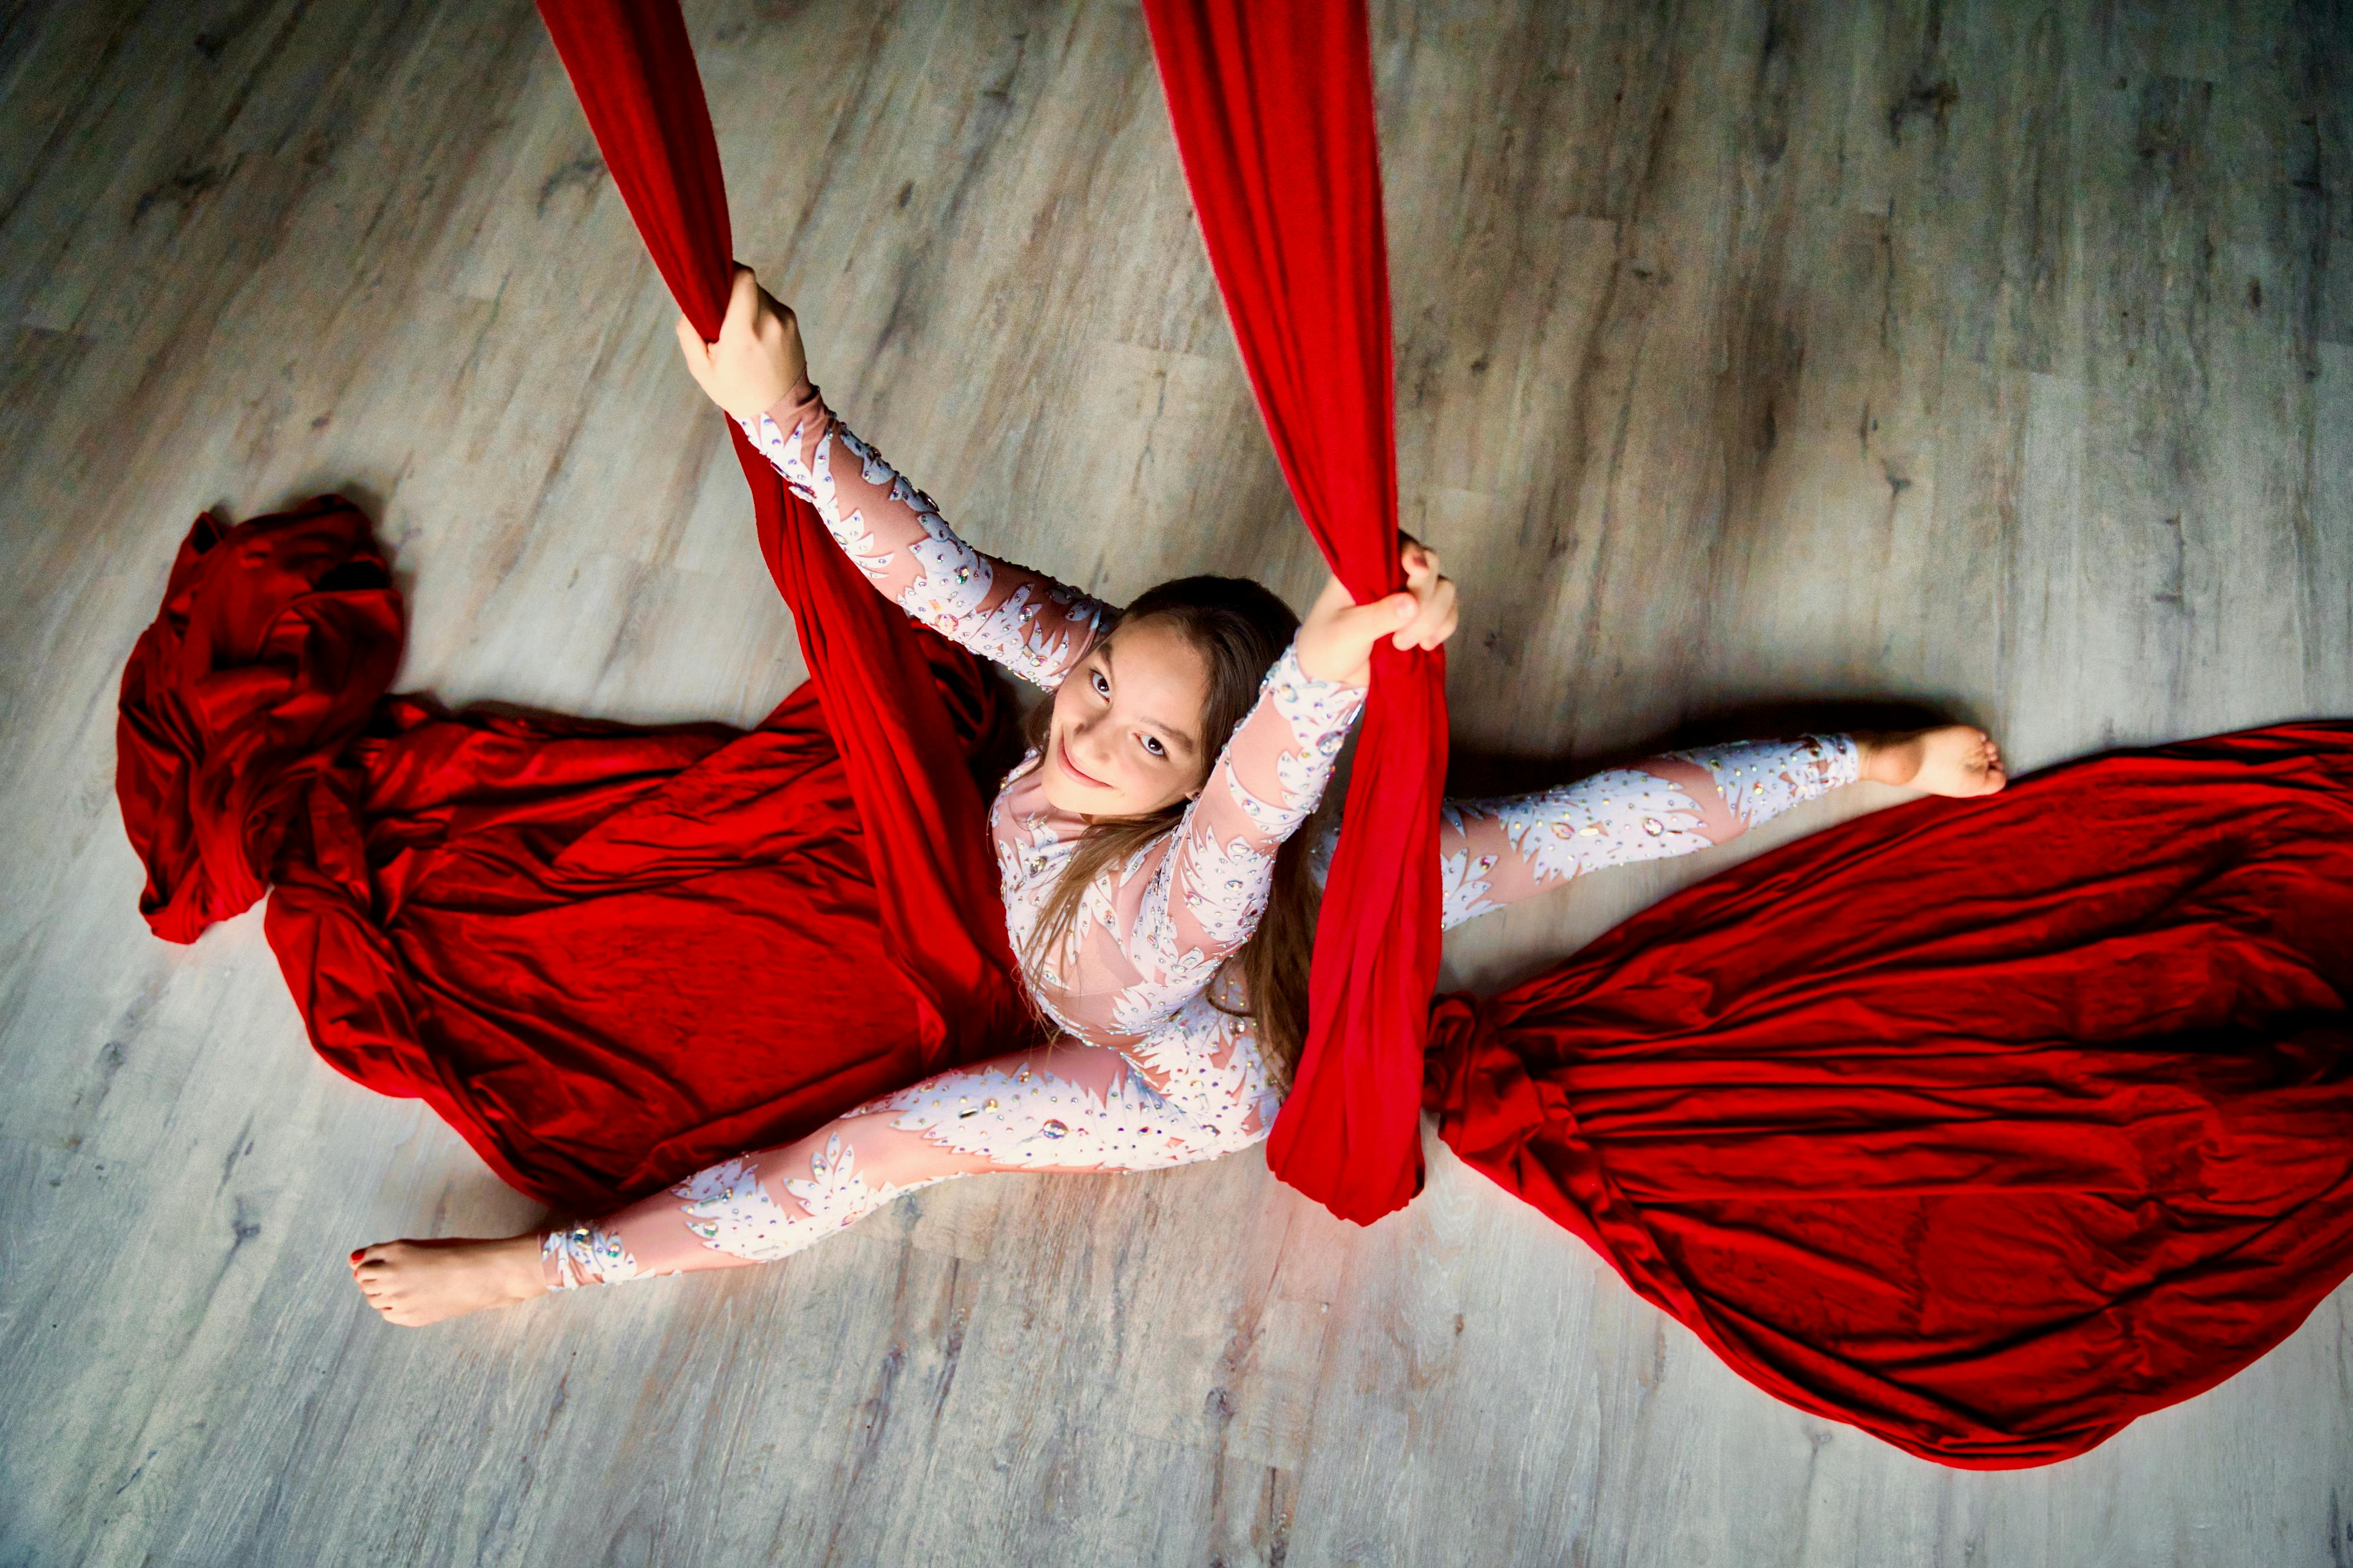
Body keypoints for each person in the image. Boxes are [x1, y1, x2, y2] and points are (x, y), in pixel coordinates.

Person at [349, 270, 2005, 1326]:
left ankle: (541, 1269)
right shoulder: (1101, 683)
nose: (1083, 728)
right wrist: (789, 415)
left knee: (877, 1145)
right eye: (1098, 687)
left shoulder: (1191, 879)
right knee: (1538, 824)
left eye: (1144, 739)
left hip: (1174, 1059)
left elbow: (1250, 809)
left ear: (1207, 776)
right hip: (1245, 835)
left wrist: (1338, 665)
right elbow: (957, 578)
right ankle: (1870, 762)